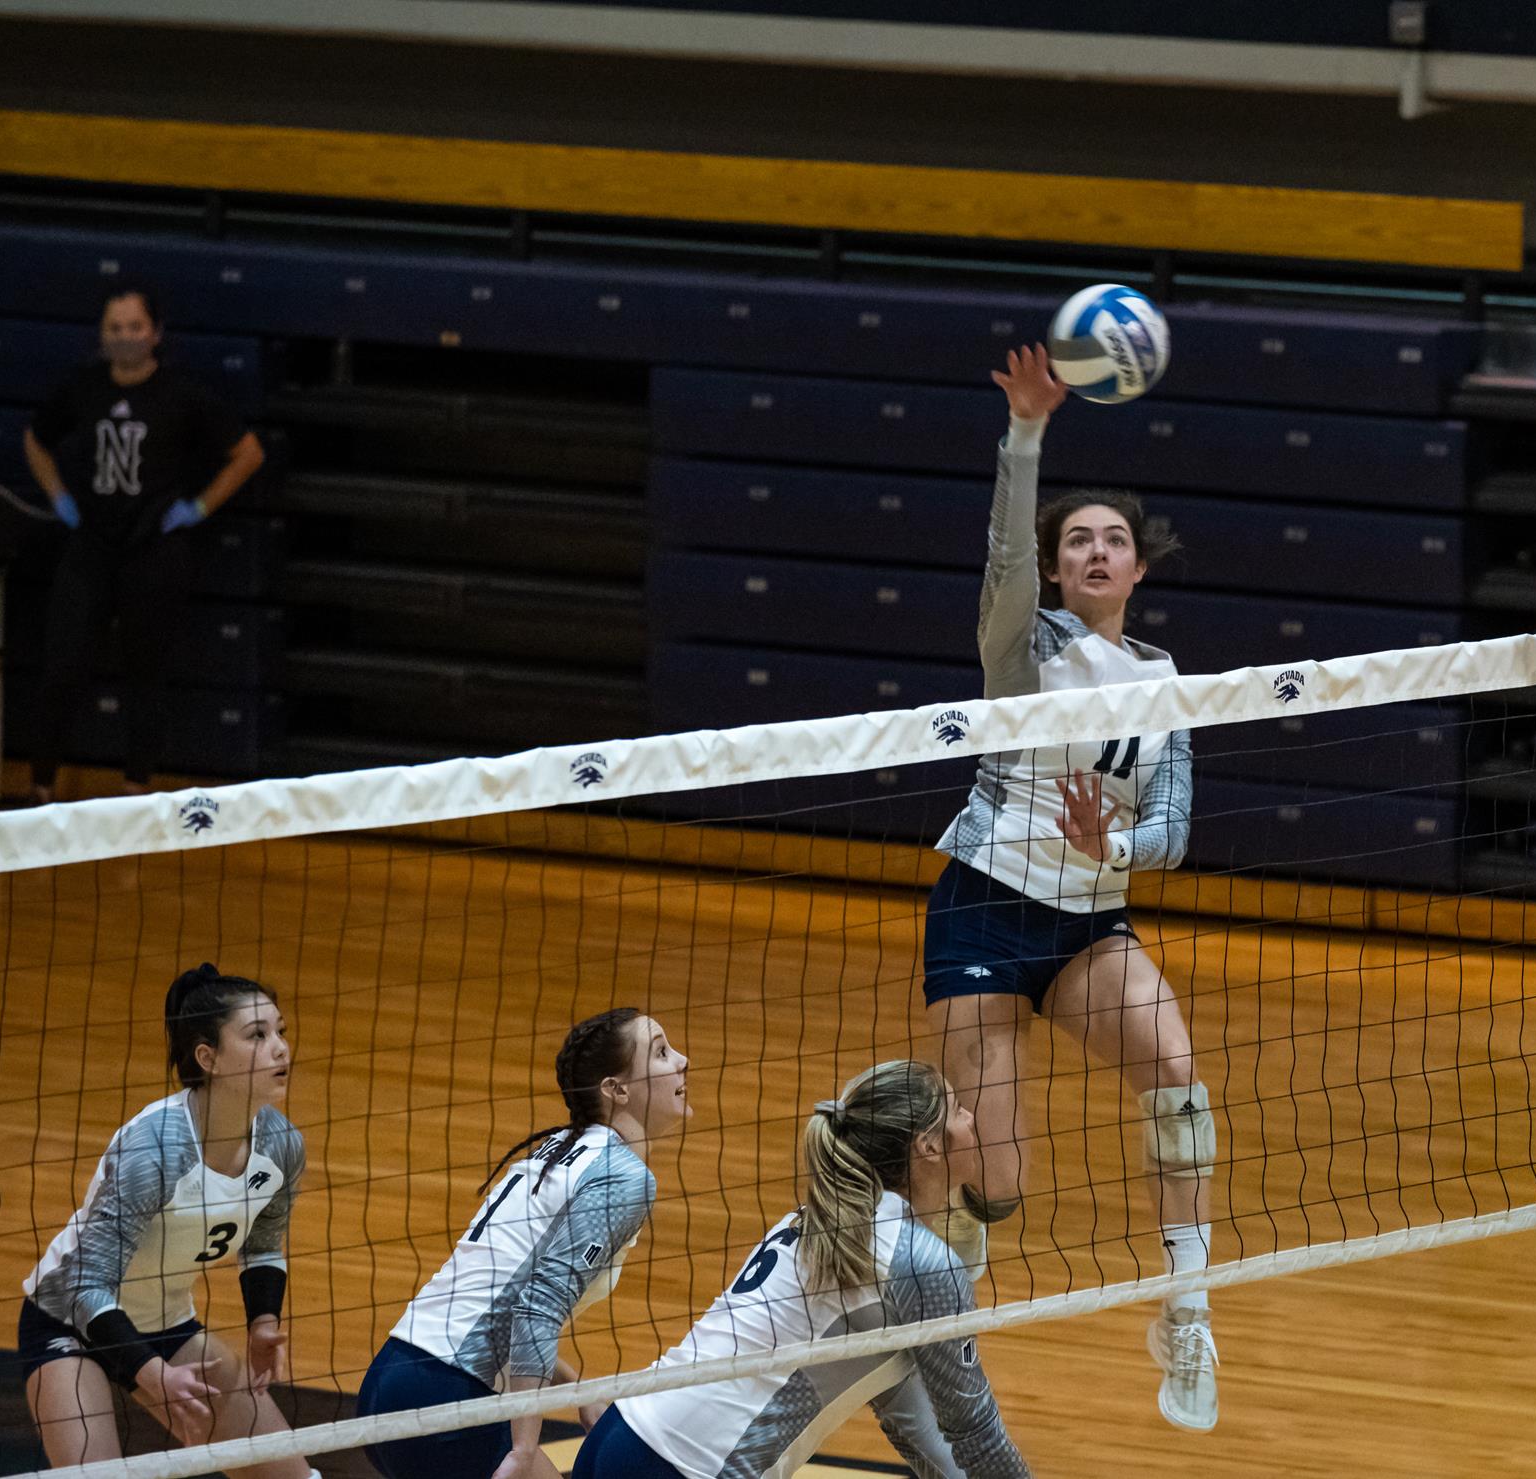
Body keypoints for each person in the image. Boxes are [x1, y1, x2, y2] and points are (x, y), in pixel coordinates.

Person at [922, 344, 1219, 1431]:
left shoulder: (1165, 682)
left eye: (1115, 541)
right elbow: (1002, 553)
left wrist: (1118, 852)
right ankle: (947, 1281)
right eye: (1077, 541)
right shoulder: (1023, 645)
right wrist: (1028, 433)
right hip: (986, 908)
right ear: (1056, 569)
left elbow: (1176, 831)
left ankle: (1183, 1309)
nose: (1096, 551)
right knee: (992, 1179)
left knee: (1181, 1086)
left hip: (1092, 923)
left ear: (1139, 568)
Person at [574, 1060, 1031, 1479]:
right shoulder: (920, 1264)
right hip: (690, 1466)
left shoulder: (827, 1218)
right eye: (957, 1110)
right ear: (929, 1146)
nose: (972, 1118)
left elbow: (914, 1425)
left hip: (621, 1436)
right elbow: (974, 1432)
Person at [357, 1009, 689, 1479]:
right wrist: (523, 1447)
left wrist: (575, 1390)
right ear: (616, 1090)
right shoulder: (624, 1177)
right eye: (660, 1052)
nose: (683, 1060)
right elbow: (536, 1308)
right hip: (448, 1398)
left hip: (392, 1379)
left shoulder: (558, 1152)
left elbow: (508, 1304)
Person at [18, 964, 313, 1479]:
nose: (281, 1048)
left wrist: (263, 1324)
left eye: (280, 1031)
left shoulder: (281, 1145)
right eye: (258, 1035)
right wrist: (153, 1375)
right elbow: (88, 1285)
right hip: (69, 1321)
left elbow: (263, 1246)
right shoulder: (156, 1149)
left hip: (164, 1323)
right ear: (209, 1057)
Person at [19, 285, 266, 805]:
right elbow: (35, 440)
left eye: (134, 327)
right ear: (101, 335)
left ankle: (137, 794)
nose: (125, 337)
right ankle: (40, 789)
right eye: (115, 328)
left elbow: (248, 453)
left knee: (145, 675)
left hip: (154, 551)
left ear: (155, 334)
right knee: (62, 667)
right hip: (91, 546)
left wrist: (198, 509)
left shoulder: (182, 394)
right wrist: (59, 495)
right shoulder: (83, 389)